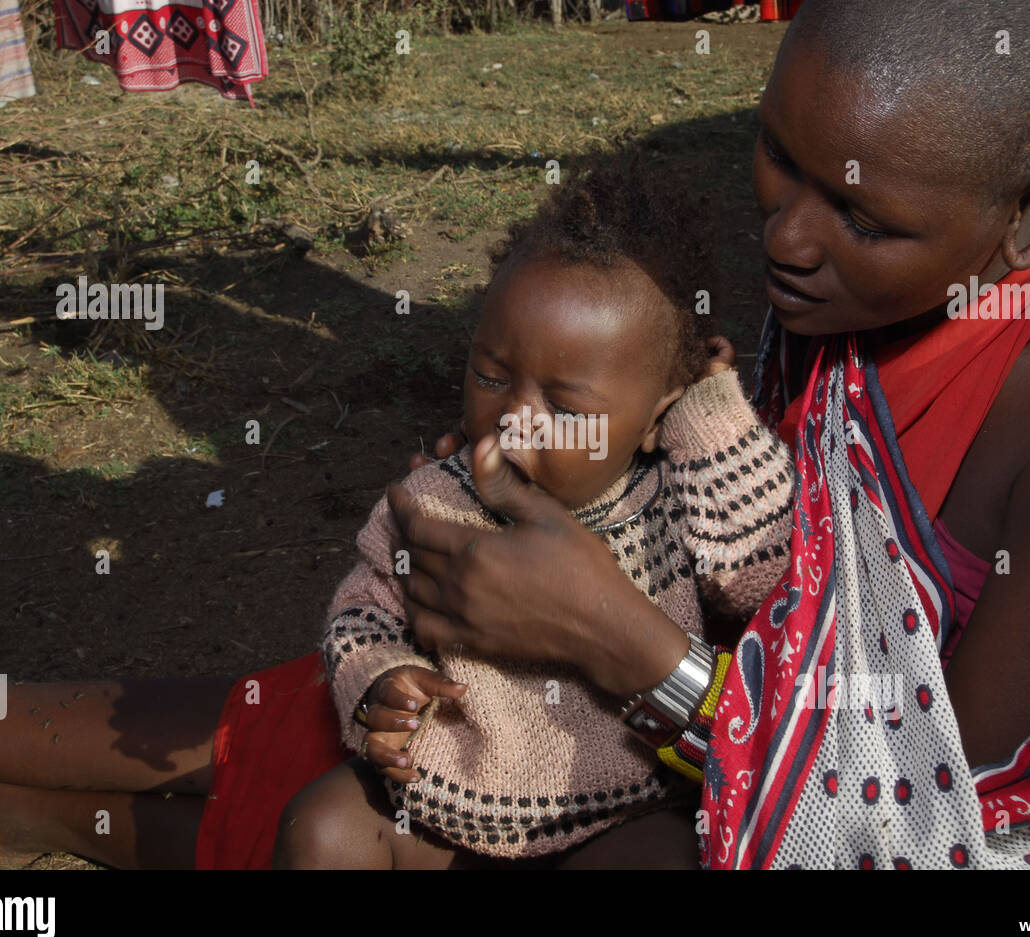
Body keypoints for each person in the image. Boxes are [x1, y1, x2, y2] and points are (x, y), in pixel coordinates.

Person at [0, 0, 1030, 870]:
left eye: (862, 216)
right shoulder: (871, 291)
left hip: (871, 828)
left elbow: (929, 822)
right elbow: (778, 575)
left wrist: (615, 640)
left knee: (386, 813)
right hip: (715, 730)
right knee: (373, 712)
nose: (789, 240)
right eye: (778, 160)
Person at [272, 158, 794, 868]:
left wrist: (708, 412)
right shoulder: (436, 501)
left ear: (655, 415)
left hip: (628, 810)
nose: (515, 416)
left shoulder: (674, 498)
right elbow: (361, 610)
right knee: (324, 826)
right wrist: (379, 686)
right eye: (491, 375)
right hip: (453, 799)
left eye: (566, 406)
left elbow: (761, 574)